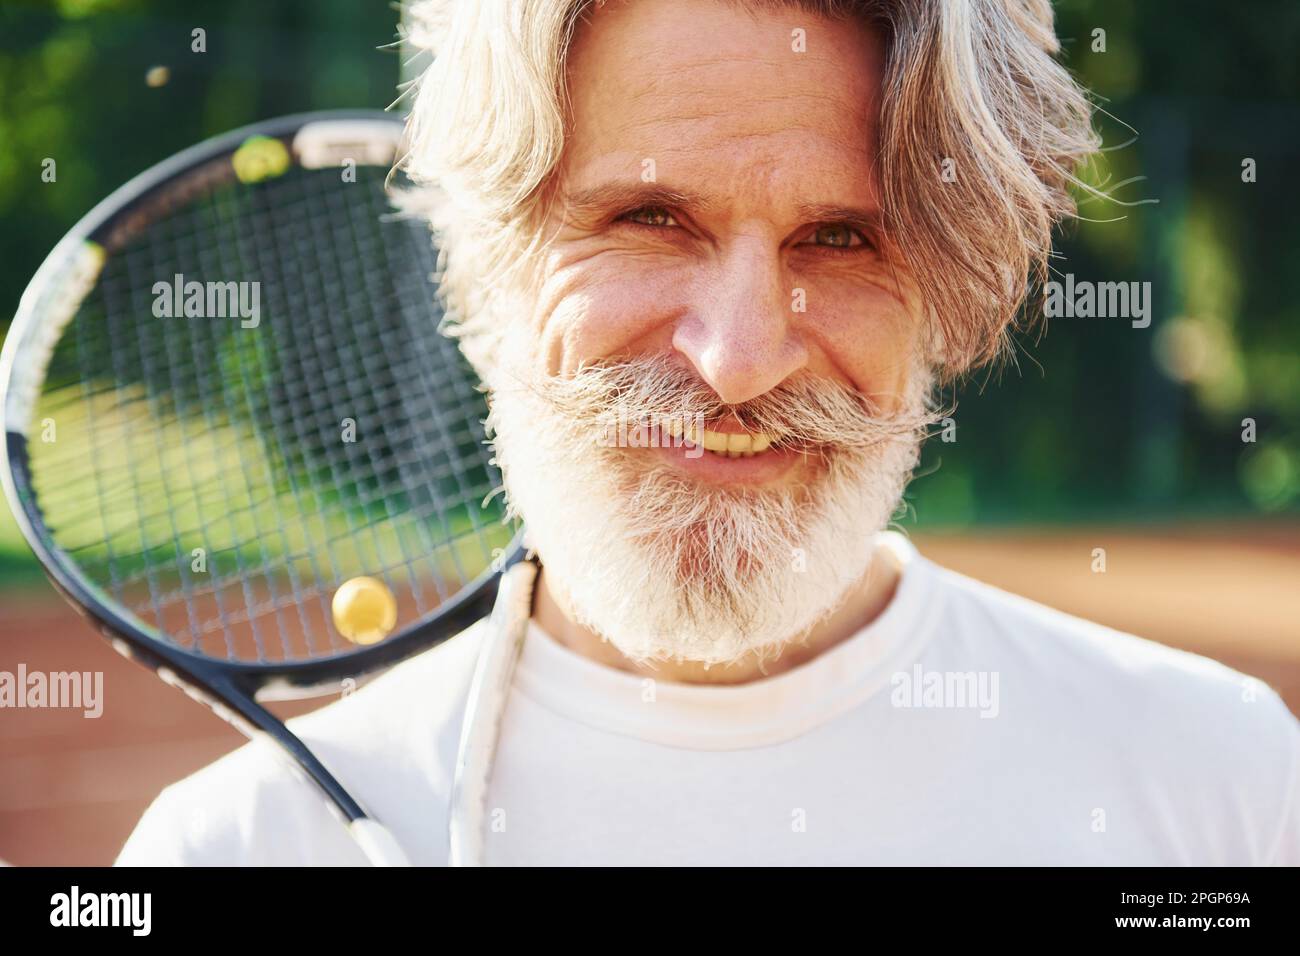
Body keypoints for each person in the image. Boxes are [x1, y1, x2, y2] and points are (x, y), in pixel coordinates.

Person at [117, 0, 1299, 866]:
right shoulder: (234, 846)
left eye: (840, 239)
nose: (738, 358)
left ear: (943, 291)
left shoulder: (1220, 784)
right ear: (490, 266)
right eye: (649, 216)